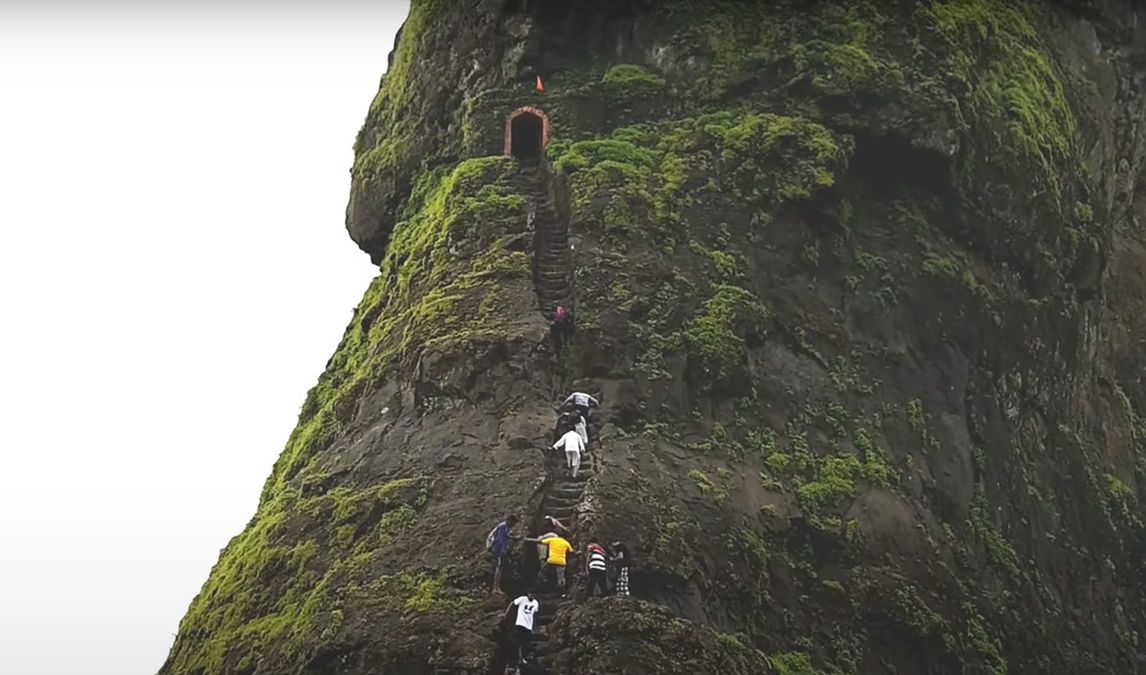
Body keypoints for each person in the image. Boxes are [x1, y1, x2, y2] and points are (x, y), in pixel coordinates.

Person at [486, 514, 518, 594]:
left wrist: (515, 538)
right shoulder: (503, 526)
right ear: (510, 521)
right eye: (513, 523)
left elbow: (506, 536)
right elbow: (501, 539)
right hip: (497, 549)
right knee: (499, 567)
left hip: (497, 548)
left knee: (500, 567)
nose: (513, 525)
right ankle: (496, 588)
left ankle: (496, 587)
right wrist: (503, 550)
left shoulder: (505, 527)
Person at [504, 591, 539, 664]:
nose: (532, 596)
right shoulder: (522, 599)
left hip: (528, 626)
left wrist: (533, 627)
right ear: (528, 594)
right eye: (530, 594)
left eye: (533, 594)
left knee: (525, 642)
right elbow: (513, 603)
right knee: (519, 641)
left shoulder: (536, 603)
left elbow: (534, 615)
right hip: (520, 623)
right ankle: (518, 658)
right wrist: (507, 613)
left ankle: (523, 657)